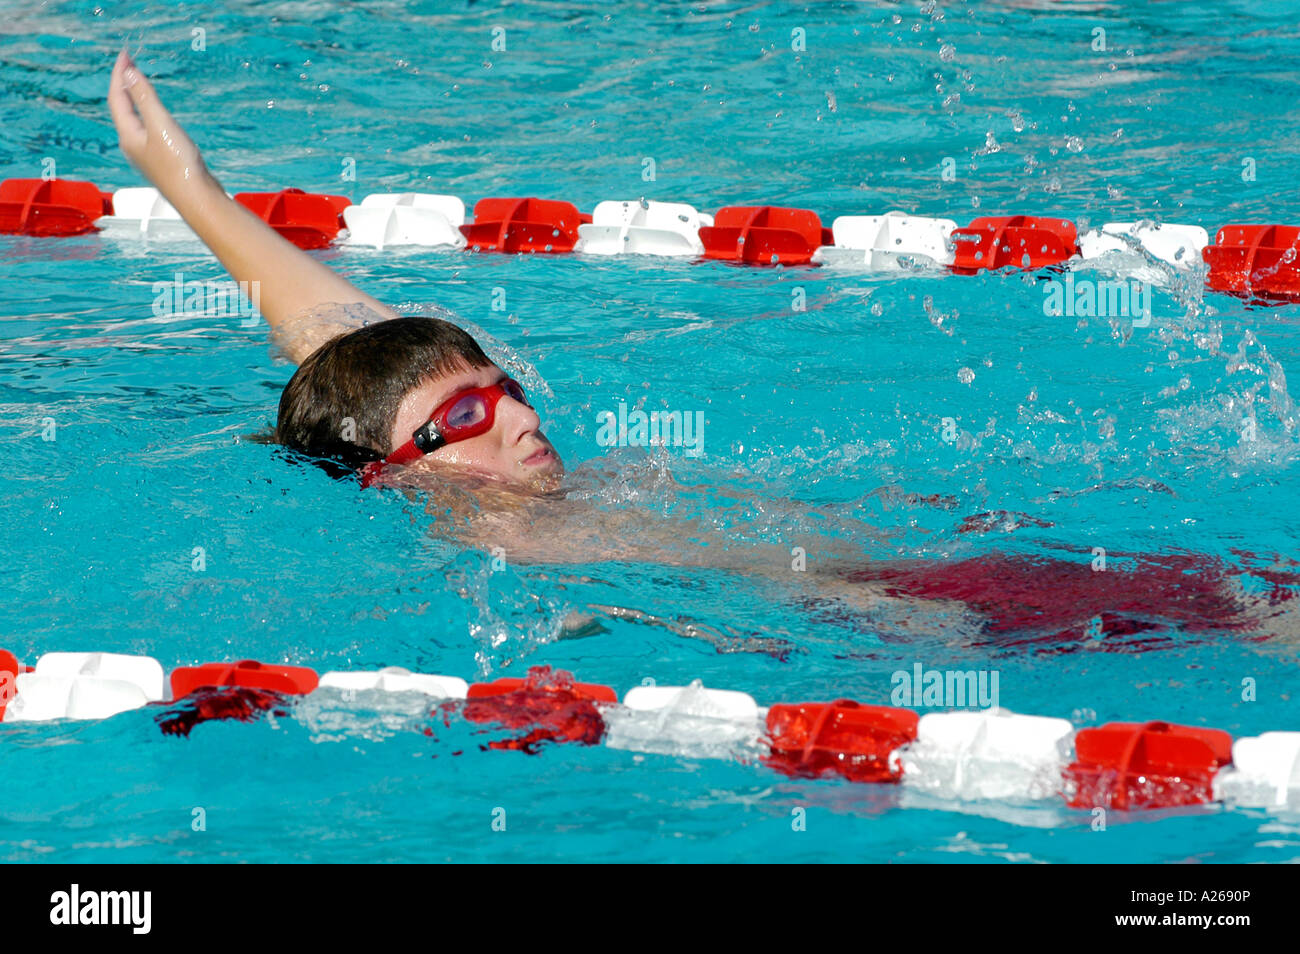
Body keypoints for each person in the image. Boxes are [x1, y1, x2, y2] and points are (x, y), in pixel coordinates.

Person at [106, 50, 1300, 653]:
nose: (518, 416)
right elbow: (758, 599)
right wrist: (903, 616)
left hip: (945, 554)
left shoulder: (402, 438)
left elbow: (331, 338)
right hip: (940, 606)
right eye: (466, 418)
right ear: (393, 473)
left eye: (502, 388)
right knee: (1256, 619)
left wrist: (188, 184)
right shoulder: (533, 543)